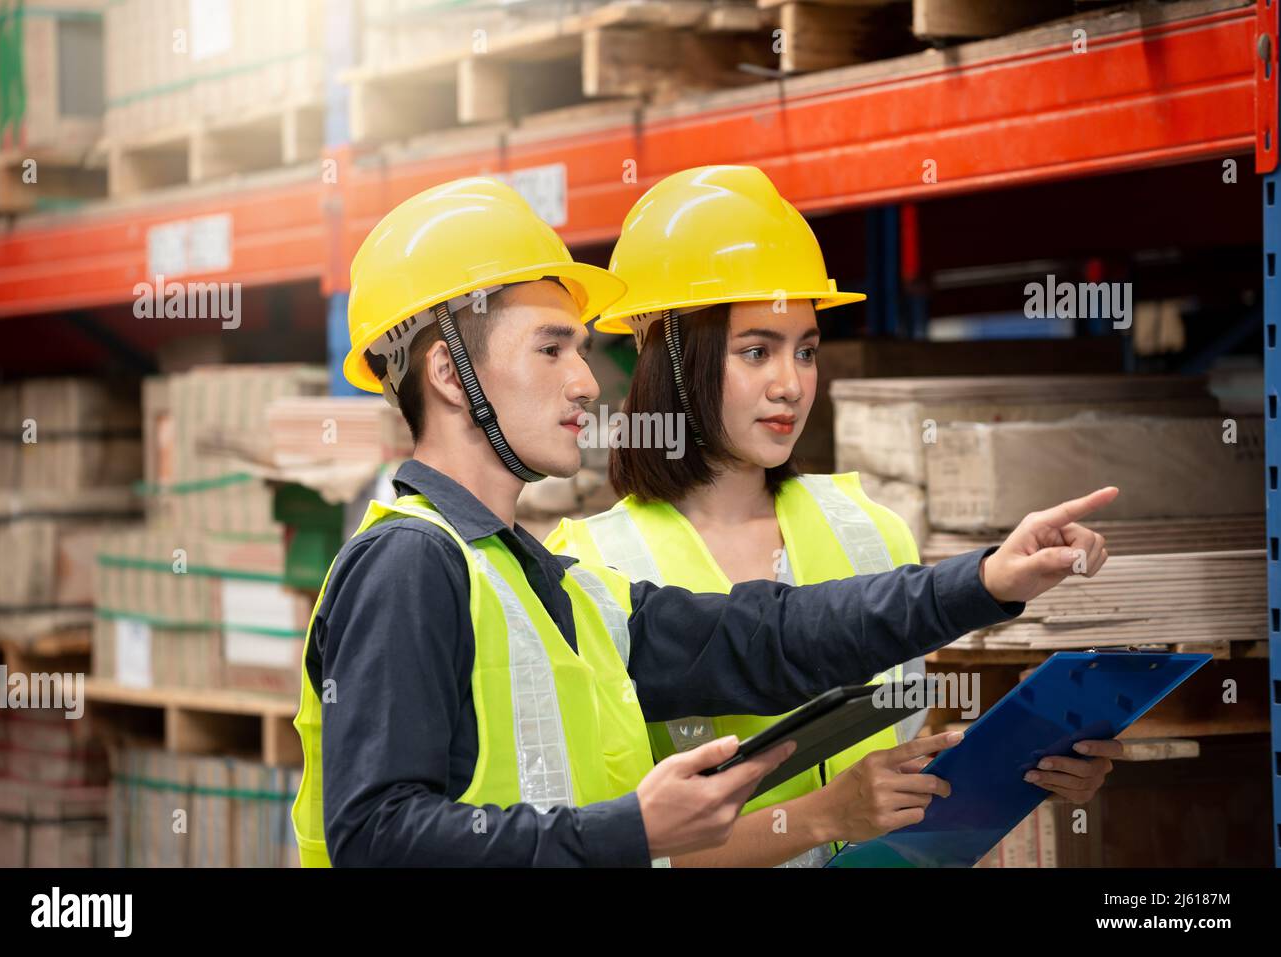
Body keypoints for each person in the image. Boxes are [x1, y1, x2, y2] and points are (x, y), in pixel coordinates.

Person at [291, 175, 1112, 867]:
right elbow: (375, 834)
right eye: (552, 349)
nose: (585, 382)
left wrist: (987, 580)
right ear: (448, 371)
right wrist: (633, 829)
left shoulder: (544, 584)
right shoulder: (407, 562)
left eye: (580, 350)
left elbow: (769, 638)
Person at [546, 165, 1121, 867]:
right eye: (756, 350)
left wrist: (1024, 767)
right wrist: (820, 817)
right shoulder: (593, 568)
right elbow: (612, 848)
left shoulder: (866, 527)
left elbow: (904, 762)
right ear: (670, 357)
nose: (791, 383)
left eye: (806, 350)